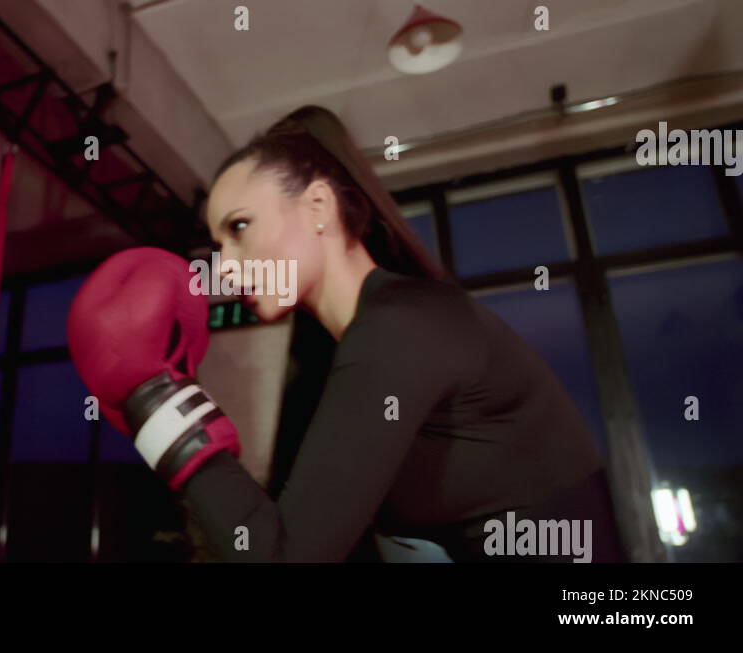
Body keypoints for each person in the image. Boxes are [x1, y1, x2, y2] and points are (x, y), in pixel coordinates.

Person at [68, 105, 626, 563]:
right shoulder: (353, 352)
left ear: (317, 206)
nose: (227, 268)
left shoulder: (401, 327)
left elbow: (282, 558)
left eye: (240, 228)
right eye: (217, 247)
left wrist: (156, 401)